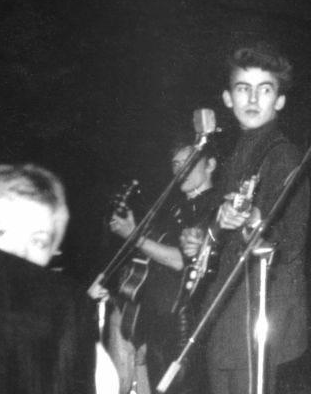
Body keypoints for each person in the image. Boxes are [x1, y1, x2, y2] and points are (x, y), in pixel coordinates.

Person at [182, 42, 309, 394]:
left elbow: (292, 239)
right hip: (226, 311)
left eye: (264, 90)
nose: (252, 99)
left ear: (279, 100)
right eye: (243, 89)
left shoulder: (283, 155)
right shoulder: (236, 152)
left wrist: (254, 218)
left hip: (257, 312)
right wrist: (204, 236)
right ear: (227, 98)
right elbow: (222, 223)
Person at [0, 110, 94, 394]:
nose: (18, 252)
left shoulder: (64, 305)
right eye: (3, 231)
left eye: (39, 240)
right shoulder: (66, 305)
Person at [89, 136, 219, 394]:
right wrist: (108, 278)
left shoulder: (213, 206)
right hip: (157, 323)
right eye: (176, 163)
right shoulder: (174, 208)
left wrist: (134, 236)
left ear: (210, 165)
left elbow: (180, 260)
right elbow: (146, 259)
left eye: (190, 162)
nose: (181, 169)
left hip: (185, 324)